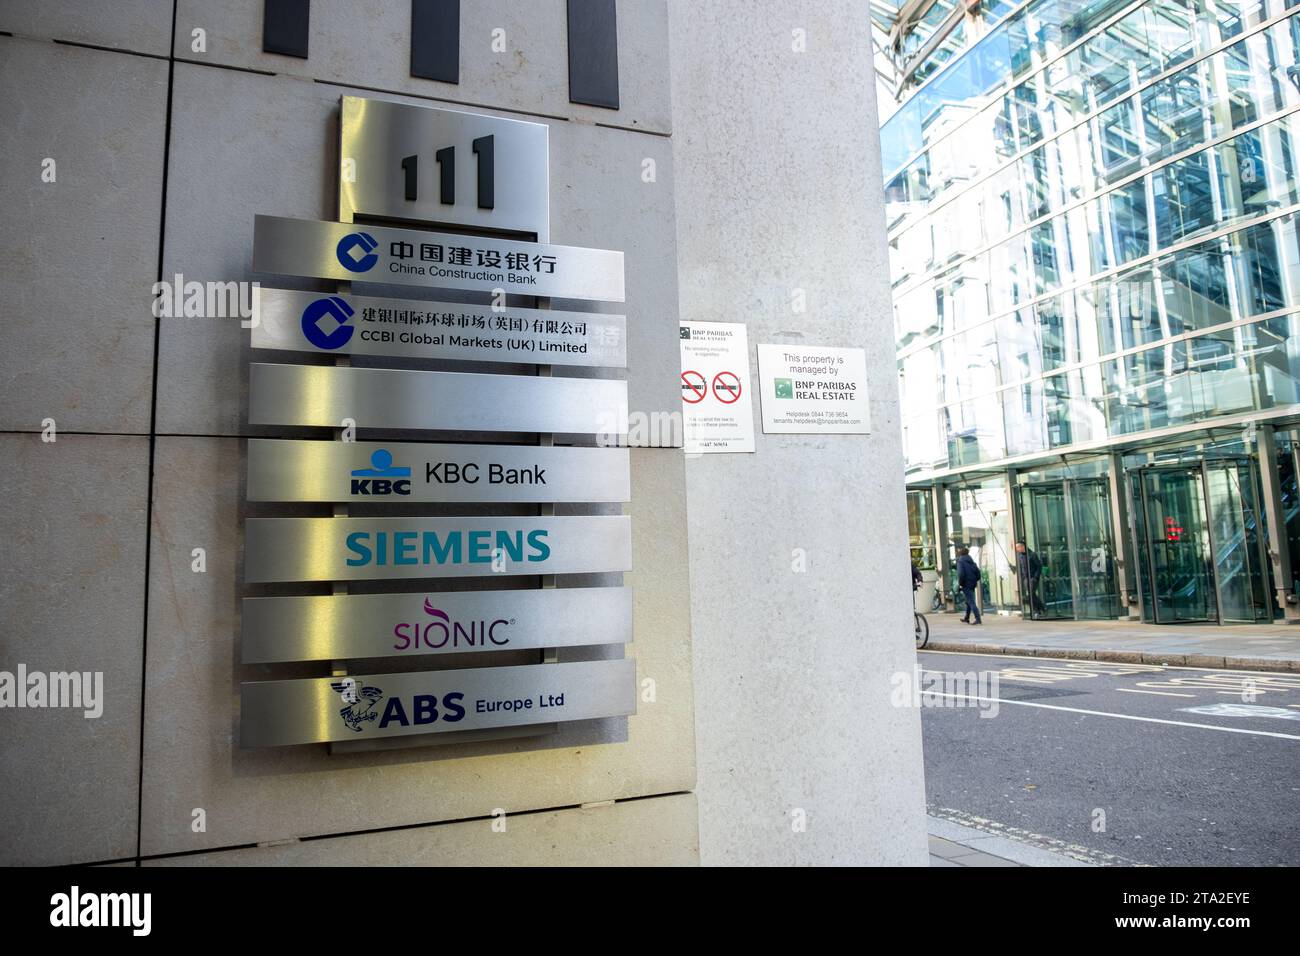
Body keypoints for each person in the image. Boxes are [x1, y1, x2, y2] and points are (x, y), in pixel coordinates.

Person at [1014, 541, 1045, 619]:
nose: (1017, 549)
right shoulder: (1020, 556)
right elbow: (1021, 567)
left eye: (1018, 547)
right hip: (1026, 579)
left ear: (1023, 546)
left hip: (1033, 578)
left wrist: (1036, 577)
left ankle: (1038, 610)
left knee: (1030, 595)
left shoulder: (1032, 555)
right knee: (1032, 595)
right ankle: (1040, 609)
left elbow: (1039, 566)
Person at [955, 546, 982, 625]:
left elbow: (961, 574)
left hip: (966, 584)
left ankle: (978, 619)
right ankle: (967, 618)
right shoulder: (971, 561)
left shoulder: (960, 562)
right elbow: (978, 573)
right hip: (972, 584)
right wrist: (974, 580)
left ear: (960, 554)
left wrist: (960, 584)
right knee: (968, 601)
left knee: (971, 602)